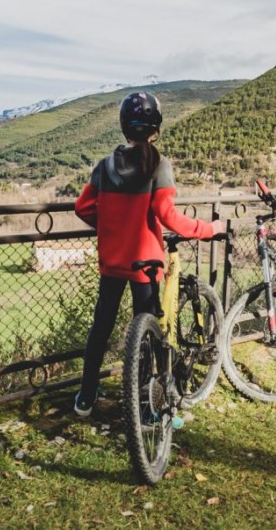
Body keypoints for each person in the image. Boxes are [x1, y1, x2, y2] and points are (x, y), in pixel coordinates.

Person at [72, 92, 224, 416]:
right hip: (146, 265)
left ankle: (85, 396)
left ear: (124, 127)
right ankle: (146, 402)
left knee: (101, 327)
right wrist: (209, 229)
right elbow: (168, 216)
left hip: (112, 263)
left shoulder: (105, 166)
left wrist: (111, 225)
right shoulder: (159, 164)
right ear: (156, 128)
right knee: (148, 331)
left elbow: (82, 207)